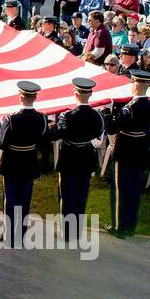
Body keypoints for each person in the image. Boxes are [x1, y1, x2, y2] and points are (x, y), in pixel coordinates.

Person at [105, 68, 150, 234]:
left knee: (120, 189)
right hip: (141, 147)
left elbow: (112, 128)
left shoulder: (129, 108)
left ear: (135, 85)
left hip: (125, 148)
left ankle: (119, 226)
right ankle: (130, 225)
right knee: (135, 188)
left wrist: (108, 112)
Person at [49, 77, 104, 241]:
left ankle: (66, 232)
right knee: (81, 195)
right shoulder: (97, 116)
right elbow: (98, 137)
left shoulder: (67, 116)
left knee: (67, 196)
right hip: (86, 158)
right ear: (90, 93)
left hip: (69, 158)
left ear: (75, 92)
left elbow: (57, 135)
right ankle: (77, 231)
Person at [0, 80, 49, 247]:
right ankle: (21, 234)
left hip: (12, 161)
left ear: (20, 97)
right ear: (35, 97)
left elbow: (2, 144)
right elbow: (43, 141)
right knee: (25, 199)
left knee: (10, 199)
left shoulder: (10, 119)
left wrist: (2, 125)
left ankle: (8, 235)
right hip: (29, 160)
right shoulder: (41, 118)